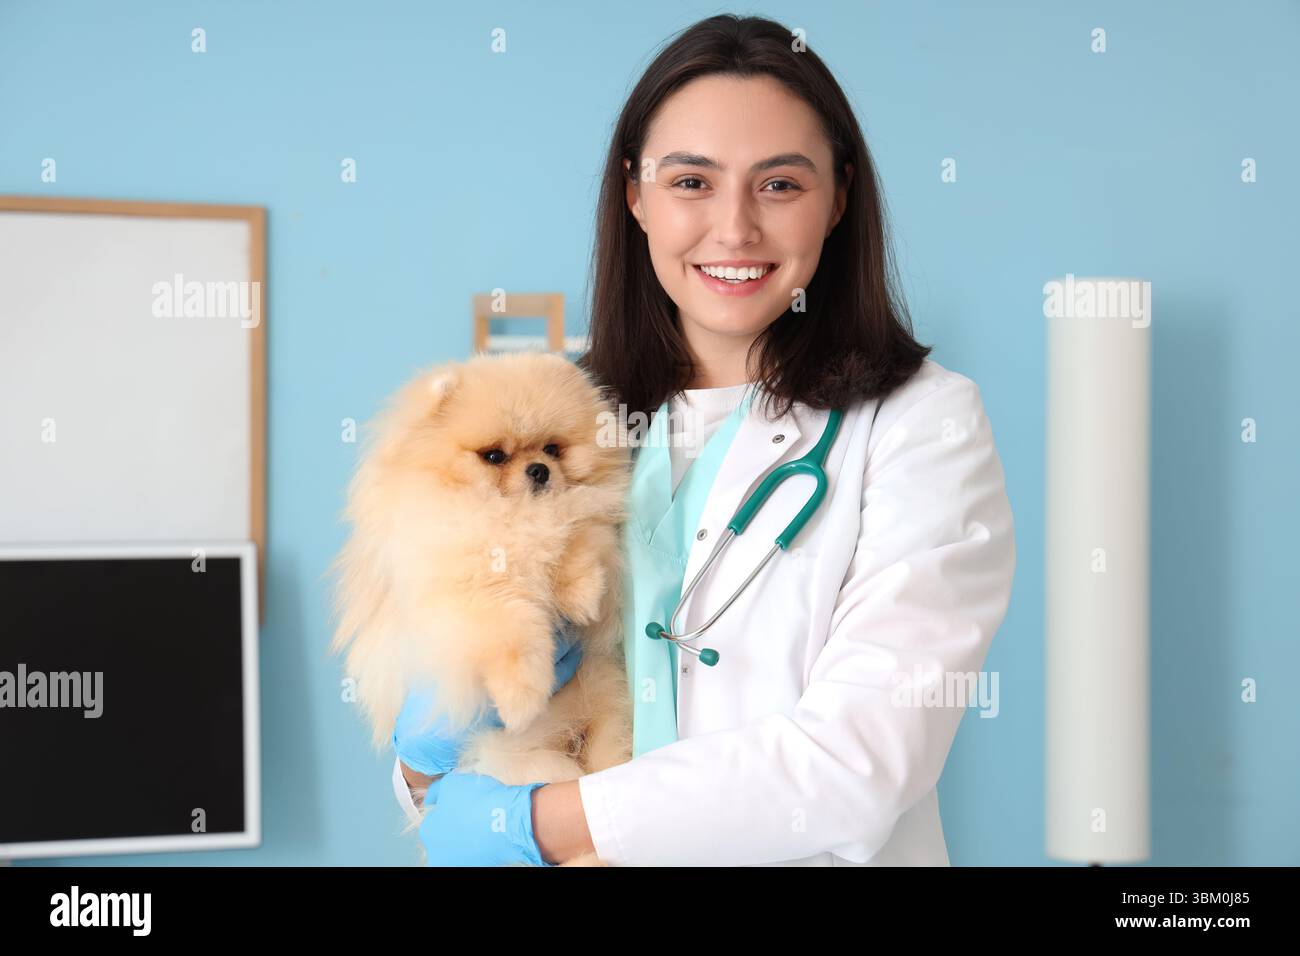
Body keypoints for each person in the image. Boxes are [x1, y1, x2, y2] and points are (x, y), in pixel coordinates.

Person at [391, 13, 1016, 867]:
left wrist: (535, 825)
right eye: (691, 182)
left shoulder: (920, 425)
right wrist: (424, 752)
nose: (734, 230)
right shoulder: (561, 421)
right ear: (635, 195)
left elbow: (861, 762)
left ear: (839, 198)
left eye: (780, 185)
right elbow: (453, 755)